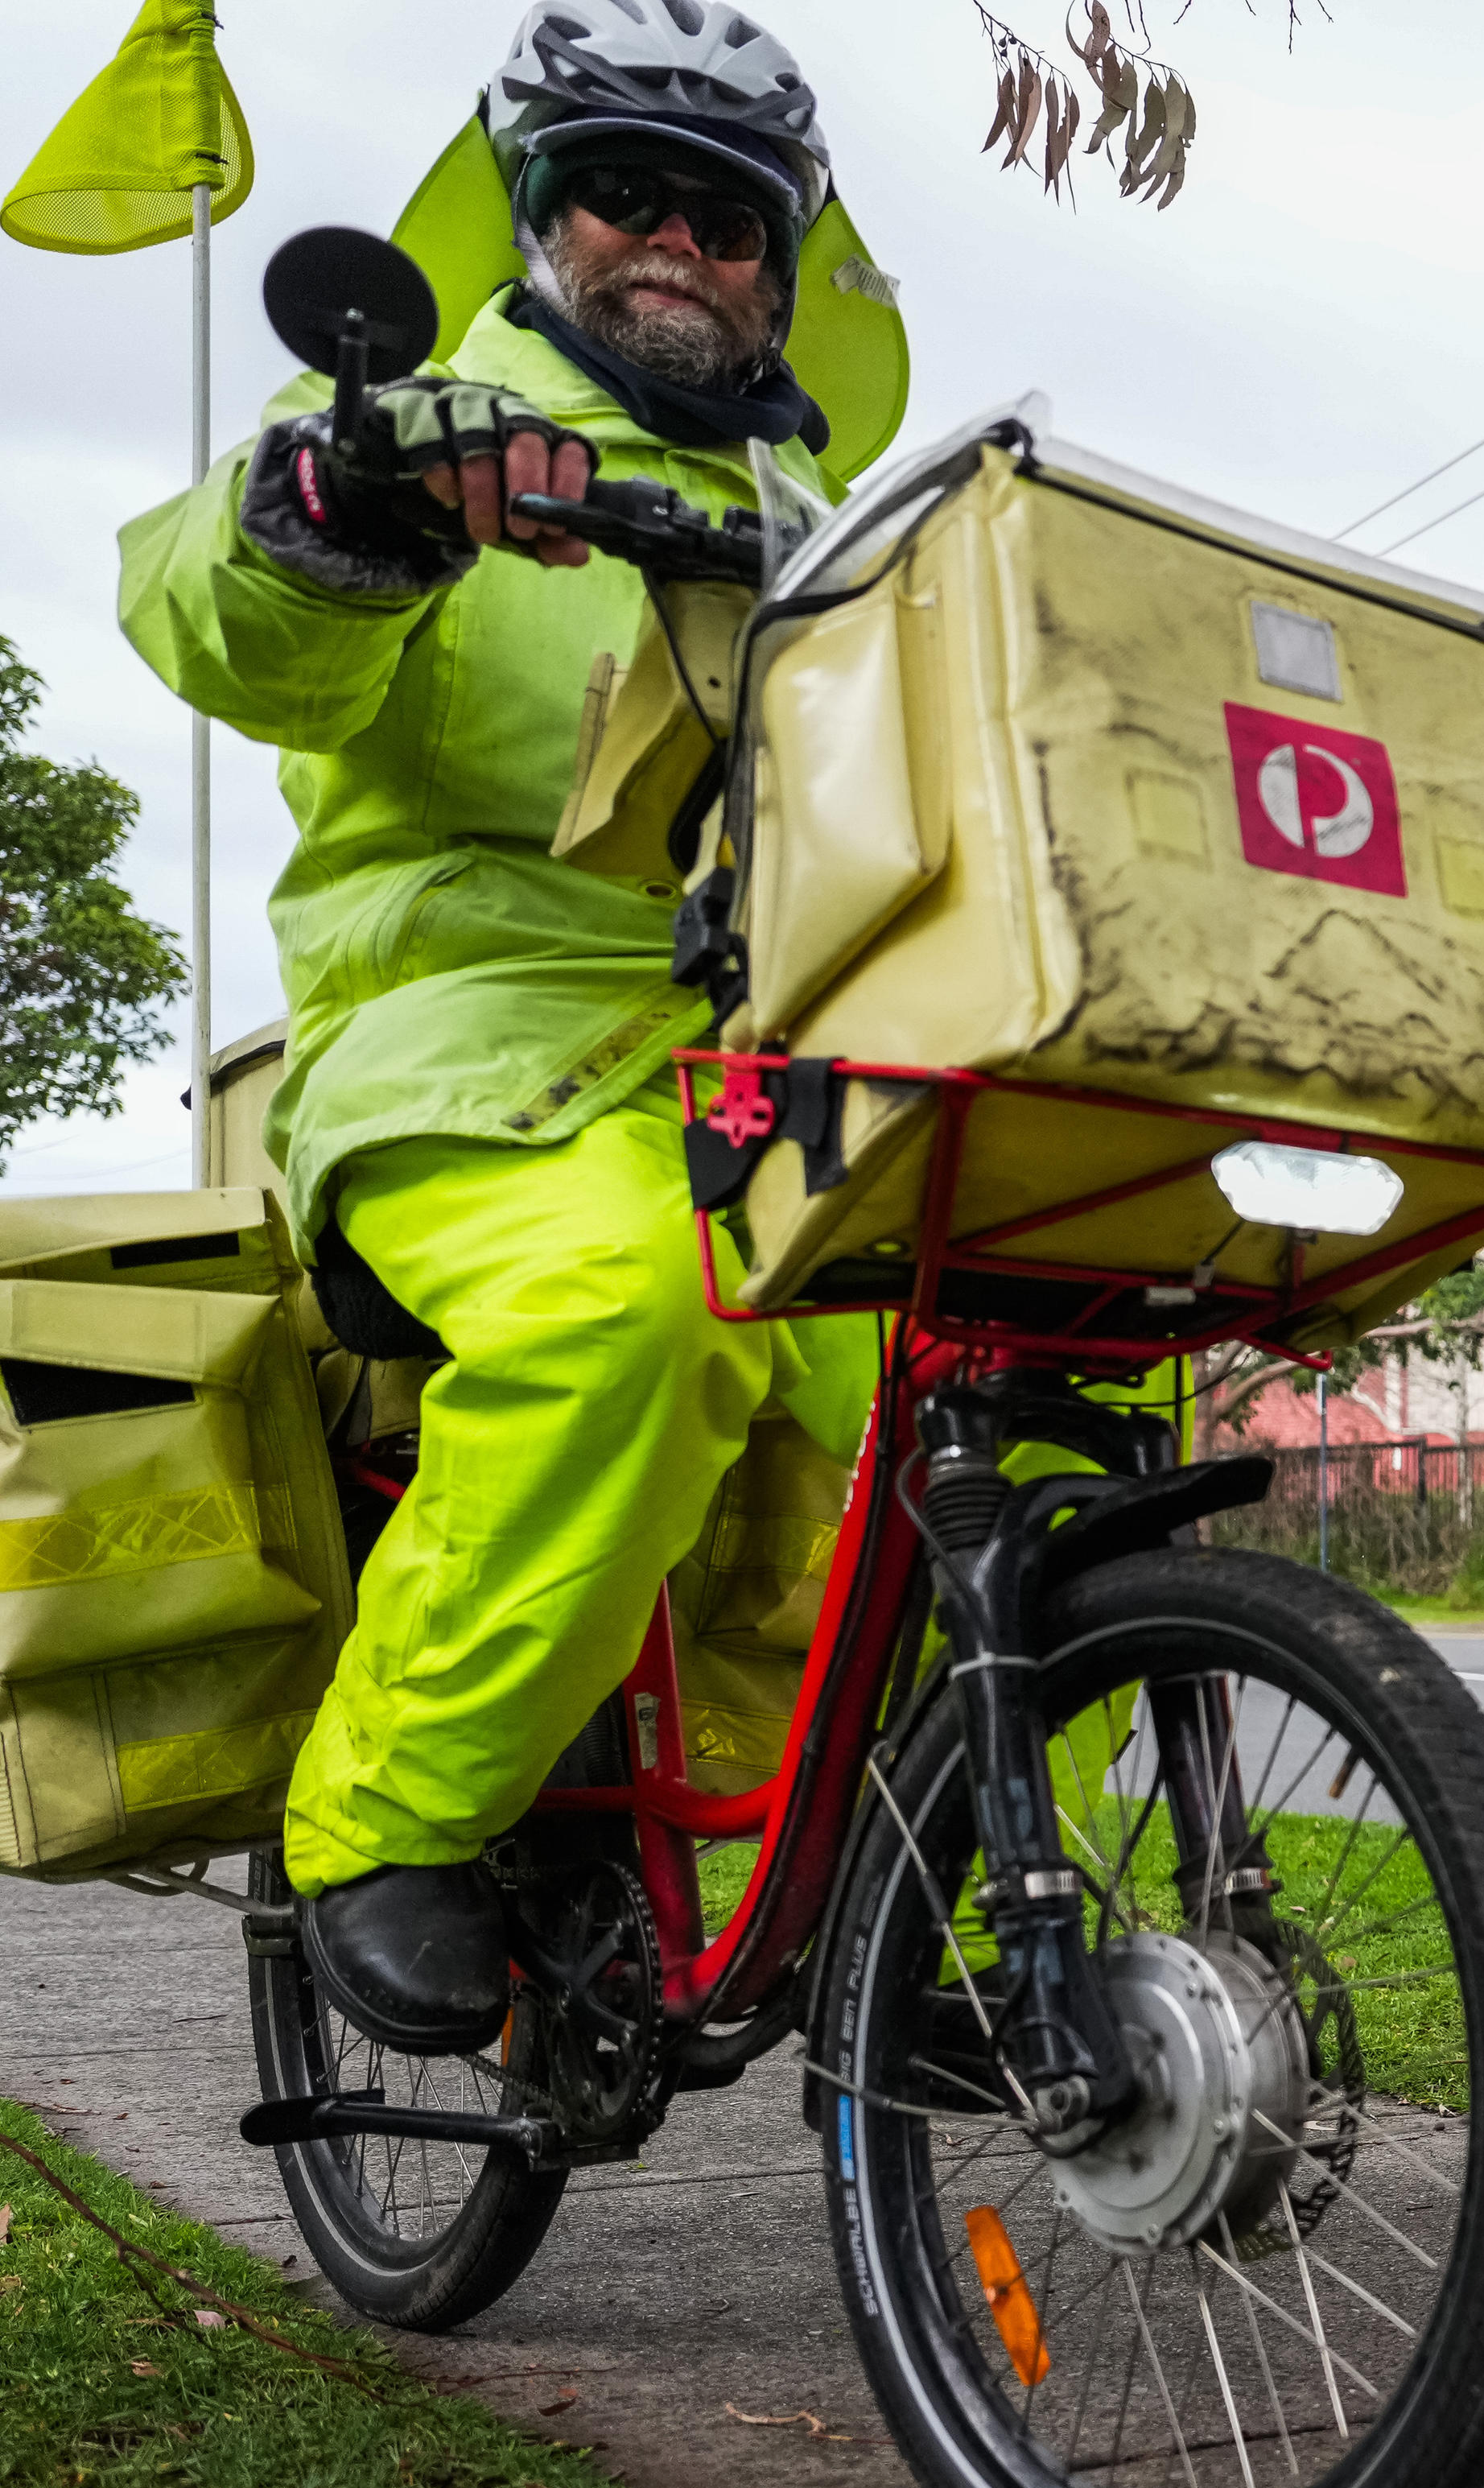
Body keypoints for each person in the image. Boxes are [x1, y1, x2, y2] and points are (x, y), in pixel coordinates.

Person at [117, 1, 873, 2056]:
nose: (671, 244)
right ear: (539, 220)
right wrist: (356, 503)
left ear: (779, 259)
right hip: (456, 1046)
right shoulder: (429, 416)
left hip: (760, 1068)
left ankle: (918, 1901)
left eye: (722, 214)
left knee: (959, 1369)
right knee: (634, 1310)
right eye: (613, 192)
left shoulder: (838, 523)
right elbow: (201, 595)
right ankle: (389, 1807)